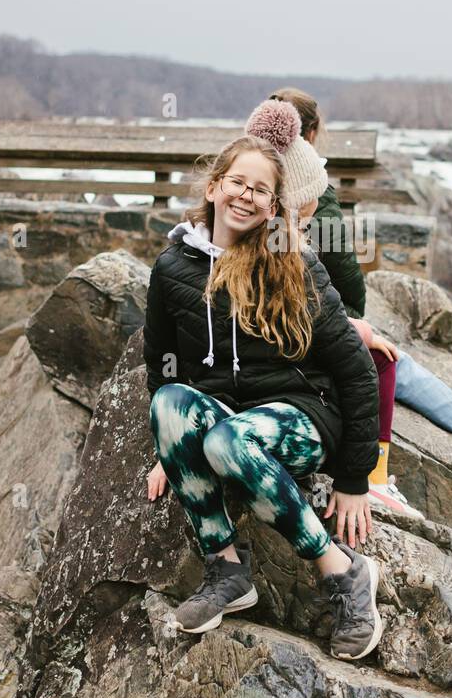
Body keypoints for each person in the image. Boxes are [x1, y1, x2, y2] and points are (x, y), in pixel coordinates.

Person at [143, 127, 384, 662]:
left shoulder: (292, 263)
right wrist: (169, 448)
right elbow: (161, 367)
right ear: (213, 188)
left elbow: (355, 370)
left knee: (229, 440)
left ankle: (343, 572)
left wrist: (353, 479)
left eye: (259, 191)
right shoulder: (172, 268)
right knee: (170, 406)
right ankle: (227, 570)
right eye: (236, 183)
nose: (245, 196)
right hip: (228, 418)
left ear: (274, 207)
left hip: (301, 416)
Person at [263, 88, 452, 467]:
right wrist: (351, 320)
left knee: (374, 349)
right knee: (387, 359)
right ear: (313, 134)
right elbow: (348, 280)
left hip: (276, 327)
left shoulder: (248, 180)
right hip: (296, 332)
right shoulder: (313, 192)